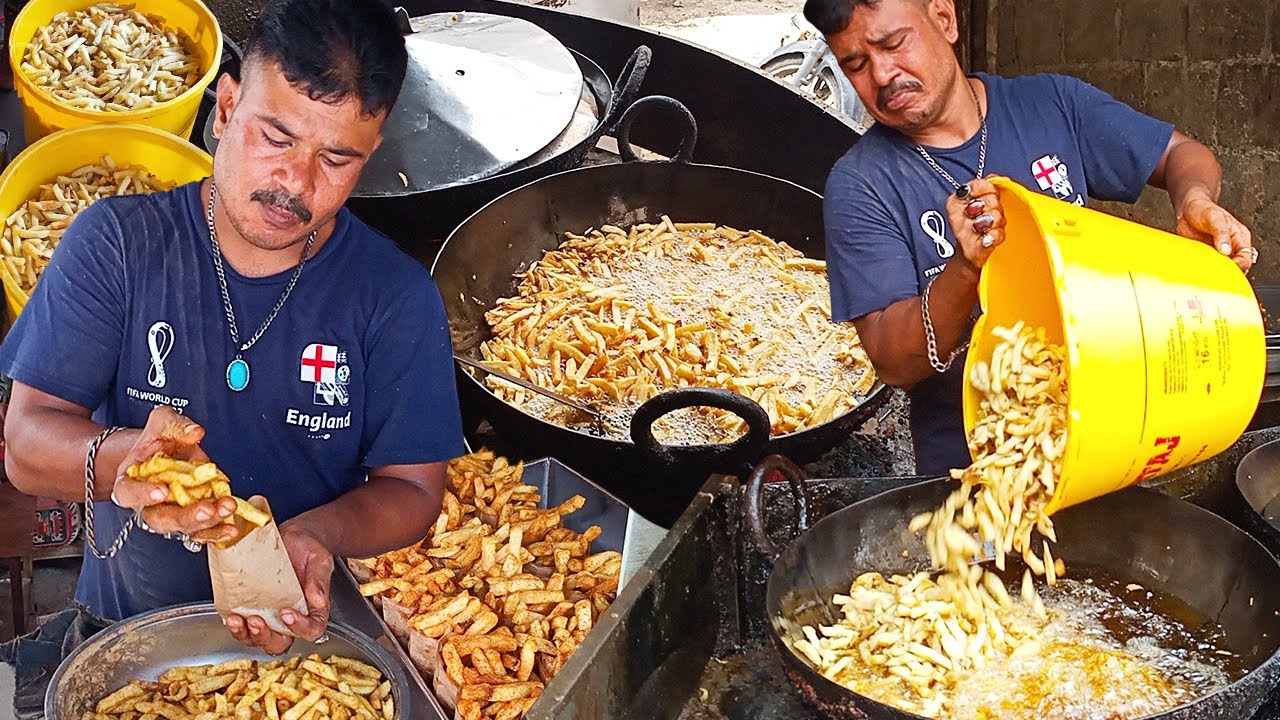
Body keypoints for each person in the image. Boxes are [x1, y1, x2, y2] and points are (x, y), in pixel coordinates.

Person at [0, 0, 463, 686]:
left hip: (301, 652)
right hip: (124, 636)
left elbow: (414, 488)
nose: (296, 183)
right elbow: (26, 444)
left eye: (336, 159)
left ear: (369, 155)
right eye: (275, 138)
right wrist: (131, 460)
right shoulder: (118, 243)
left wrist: (318, 534)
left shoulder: (394, 297)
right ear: (224, 109)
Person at [805, 0, 1255, 475]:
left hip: (1111, 439)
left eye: (894, 44)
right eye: (856, 65)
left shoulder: (1051, 105)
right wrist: (966, 268)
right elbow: (895, 362)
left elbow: (1179, 153)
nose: (882, 75)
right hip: (978, 470)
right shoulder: (862, 185)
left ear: (944, 19)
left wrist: (1195, 200)